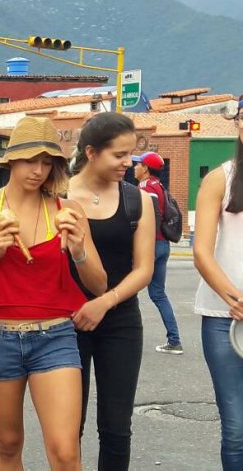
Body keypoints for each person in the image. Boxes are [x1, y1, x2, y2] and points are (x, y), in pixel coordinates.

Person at [0, 116, 107, 470]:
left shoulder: (68, 211)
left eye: (47, 162)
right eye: (31, 160)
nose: (39, 170)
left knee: (66, 451)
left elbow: (99, 284)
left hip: (55, 336)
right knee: (7, 444)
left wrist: (79, 249)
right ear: (11, 160)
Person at [68, 112, 155, 470]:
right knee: (69, 428)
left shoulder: (138, 200)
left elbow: (144, 269)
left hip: (120, 322)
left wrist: (105, 302)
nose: (127, 163)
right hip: (65, 323)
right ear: (91, 152)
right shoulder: (57, 195)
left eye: (130, 155)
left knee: (117, 429)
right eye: (118, 155)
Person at [193, 99, 243, 470]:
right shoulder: (220, 179)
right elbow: (201, 252)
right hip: (225, 318)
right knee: (237, 428)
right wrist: (235, 298)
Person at [133, 151, 183, 354]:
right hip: (163, 245)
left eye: (138, 164)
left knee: (125, 289)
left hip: (150, 245)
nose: (134, 167)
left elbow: (150, 216)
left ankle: (121, 338)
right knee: (158, 294)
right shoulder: (160, 186)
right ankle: (174, 340)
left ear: (145, 168)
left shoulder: (145, 187)